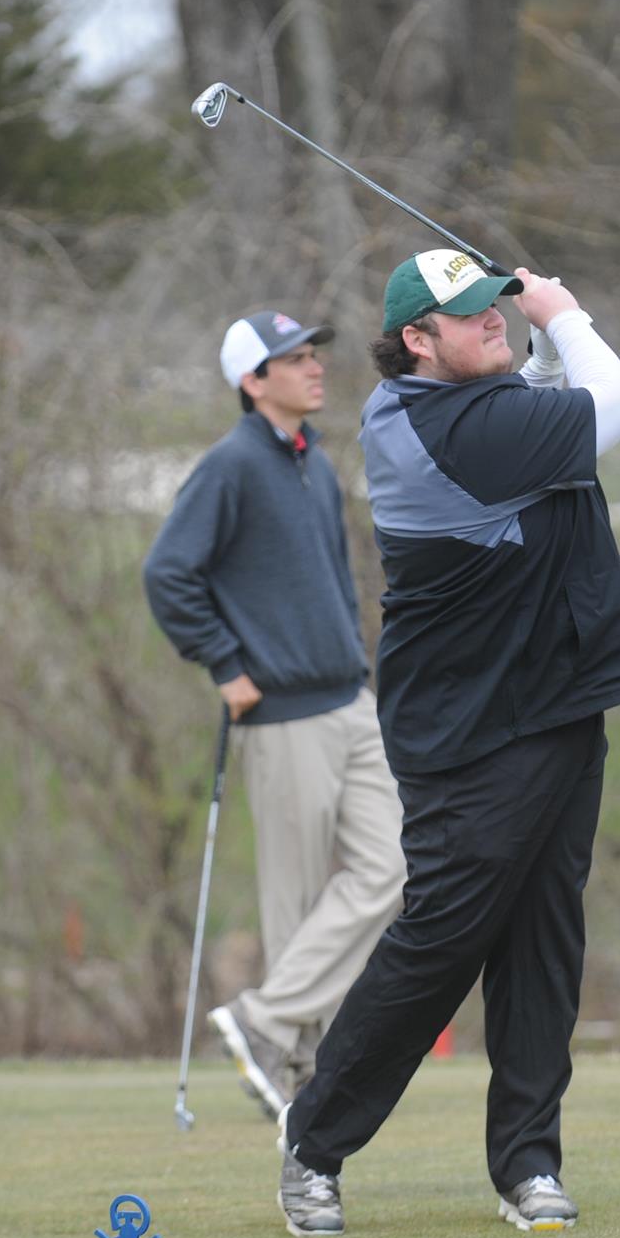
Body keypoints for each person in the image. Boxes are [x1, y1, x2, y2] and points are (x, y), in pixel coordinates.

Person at [274, 250, 620, 1237]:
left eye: (496, 306)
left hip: (555, 704)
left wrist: (540, 344)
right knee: (442, 941)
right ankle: (312, 1142)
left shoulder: (471, 407)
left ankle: (528, 1164)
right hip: (470, 730)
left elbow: (543, 406)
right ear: (417, 341)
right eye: (468, 314)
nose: (493, 320)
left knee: (544, 940)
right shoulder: (449, 430)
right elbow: (610, 404)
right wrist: (563, 315)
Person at [142, 309, 407, 1123]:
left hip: (349, 701)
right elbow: (168, 573)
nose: (314, 368)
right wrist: (225, 665)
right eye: (294, 360)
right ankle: (299, 1087)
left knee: (398, 865)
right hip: (283, 716)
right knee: (292, 911)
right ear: (253, 381)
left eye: (313, 355)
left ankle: (263, 1023)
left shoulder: (314, 466)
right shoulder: (232, 466)